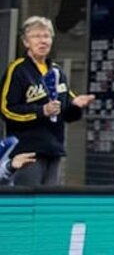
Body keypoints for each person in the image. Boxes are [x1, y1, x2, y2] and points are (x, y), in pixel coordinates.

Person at [1, 16, 95, 185]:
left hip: (53, 149)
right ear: (26, 42)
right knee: (28, 202)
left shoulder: (57, 72)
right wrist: (41, 111)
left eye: (46, 36)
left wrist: (77, 105)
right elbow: (6, 109)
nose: (42, 41)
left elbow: (67, 112)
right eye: (36, 36)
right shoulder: (18, 70)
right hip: (27, 150)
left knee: (48, 201)